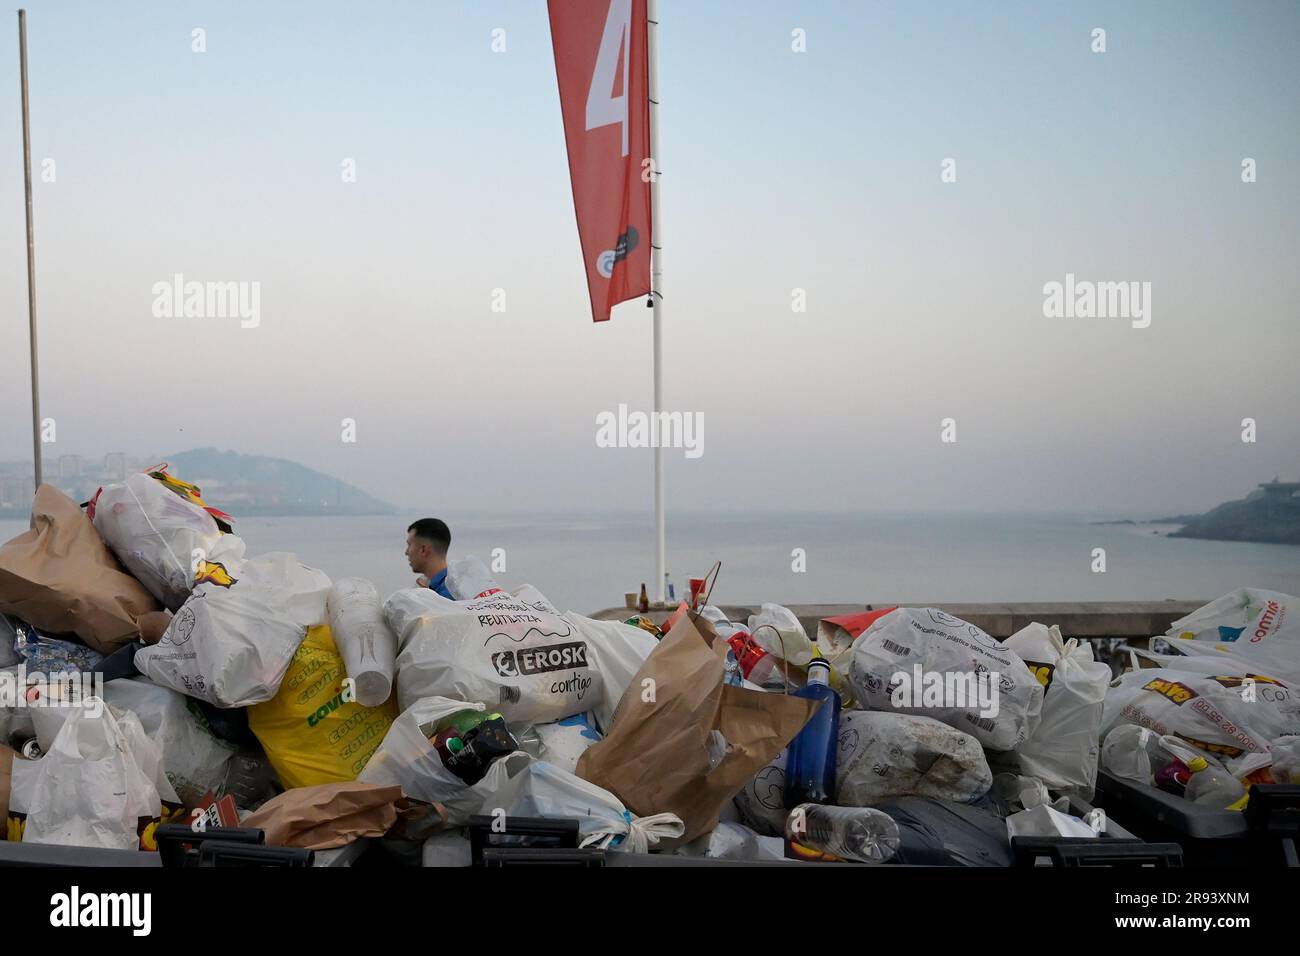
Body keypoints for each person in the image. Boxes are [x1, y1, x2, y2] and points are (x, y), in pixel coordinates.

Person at [406, 518, 453, 598]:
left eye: (409, 545)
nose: (406, 552)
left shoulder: (446, 596)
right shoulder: (456, 585)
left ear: (423, 550)